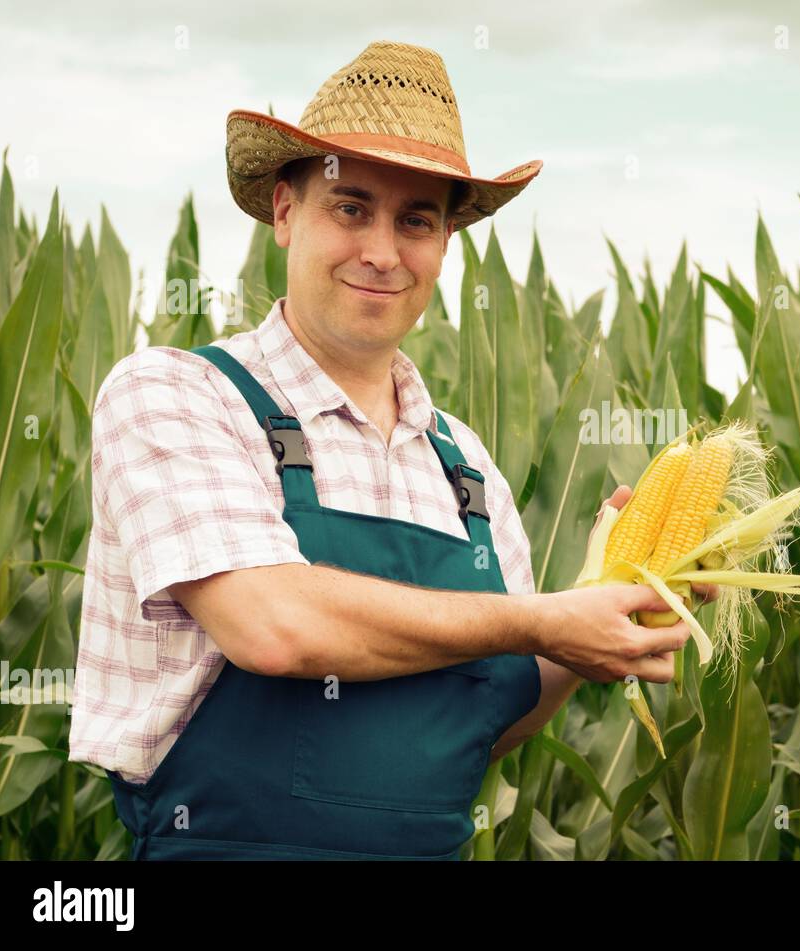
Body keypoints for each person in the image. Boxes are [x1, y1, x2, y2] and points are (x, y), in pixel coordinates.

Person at [69, 40, 713, 861]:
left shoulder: (465, 468)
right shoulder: (178, 395)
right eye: (351, 206)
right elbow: (272, 625)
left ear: (445, 245)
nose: (382, 250)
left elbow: (488, 716)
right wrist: (544, 618)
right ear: (284, 211)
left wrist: (593, 623)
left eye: (417, 220)